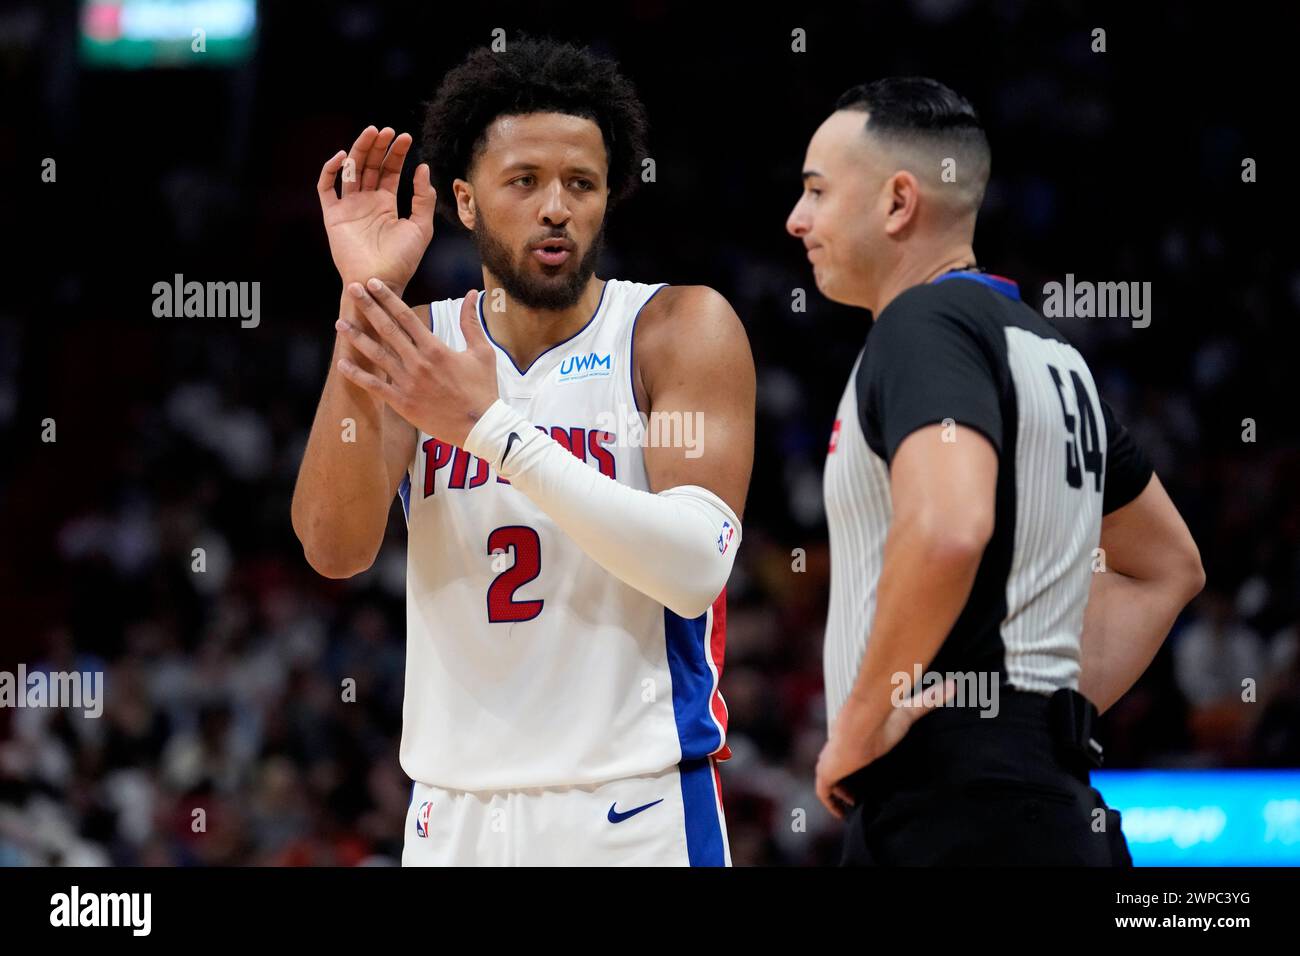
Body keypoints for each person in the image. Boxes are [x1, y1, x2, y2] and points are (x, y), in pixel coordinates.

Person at [292, 38, 755, 865]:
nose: (556, 207)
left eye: (581, 184)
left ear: (610, 197)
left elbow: (696, 568)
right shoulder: (417, 345)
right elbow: (334, 546)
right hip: (450, 815)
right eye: (525, 181)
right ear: (465, 203)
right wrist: (365, 300)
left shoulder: (675, 329)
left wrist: (489, 430)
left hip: (633, 811)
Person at [785, 76, 1205, 864]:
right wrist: (1045, 717)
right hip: (1053, 802)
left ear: (898, 202)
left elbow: (949, 526)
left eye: (816, 191)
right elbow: (1168, 568)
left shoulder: (922, 323)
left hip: (948, 807)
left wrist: (859, 726)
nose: (796, 219)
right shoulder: (1053, 354)